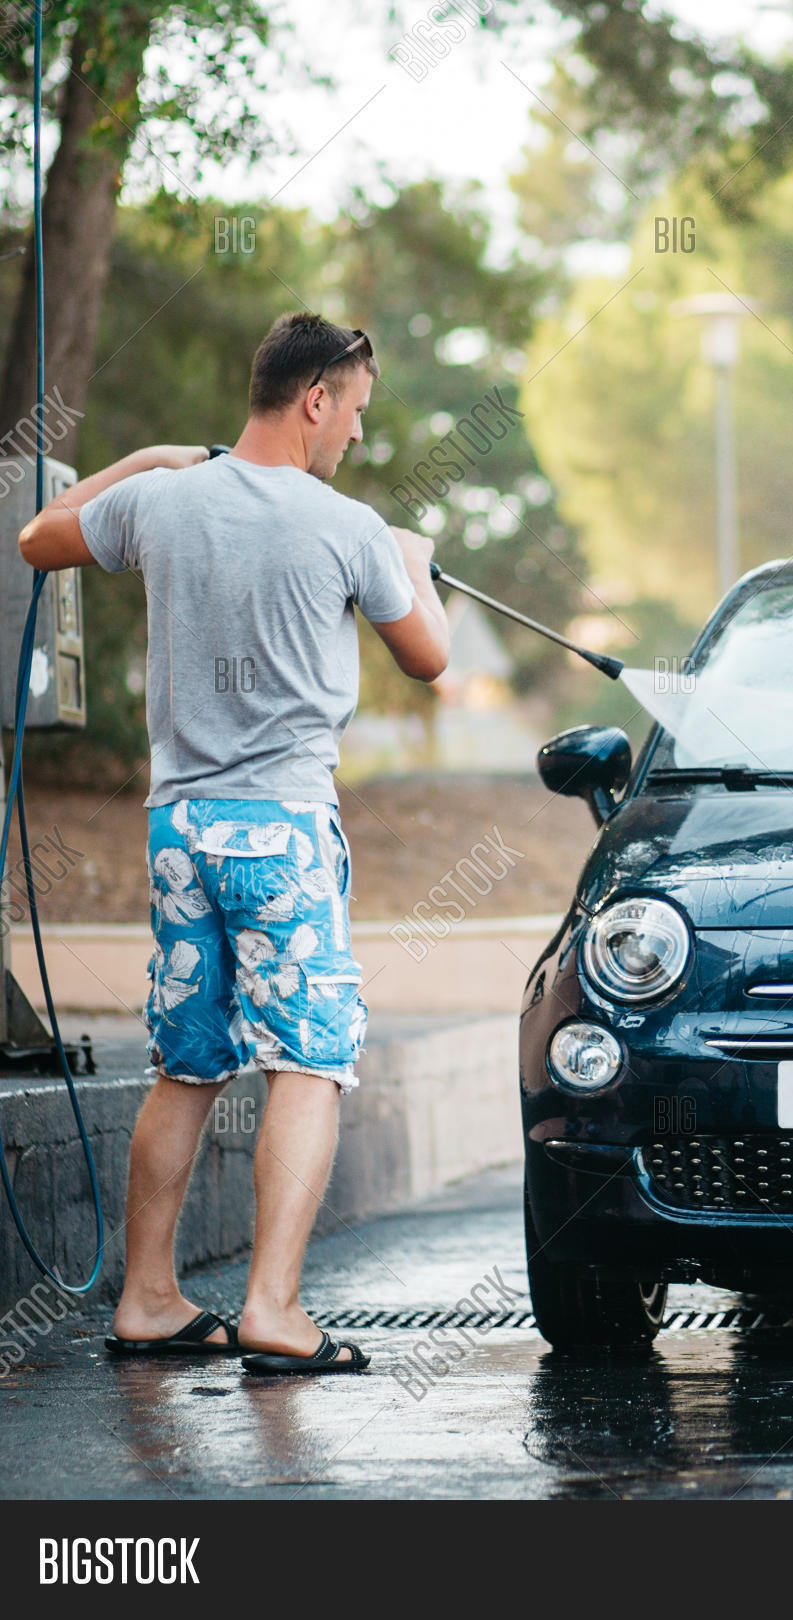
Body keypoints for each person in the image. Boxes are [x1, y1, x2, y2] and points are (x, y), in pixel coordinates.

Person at [18, 312, 450, 1374]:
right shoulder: (348, 527)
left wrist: (150, 459)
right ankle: (272, 1309)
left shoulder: (165, 501)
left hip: (178, 833)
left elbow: (37, 535)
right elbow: (429, 658)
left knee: (188, 1065)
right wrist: (413, 560)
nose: (352, 434)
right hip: (283, 832)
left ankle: (150, 1300)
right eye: (352, 412)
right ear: (314, 399)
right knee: (309, 1062)